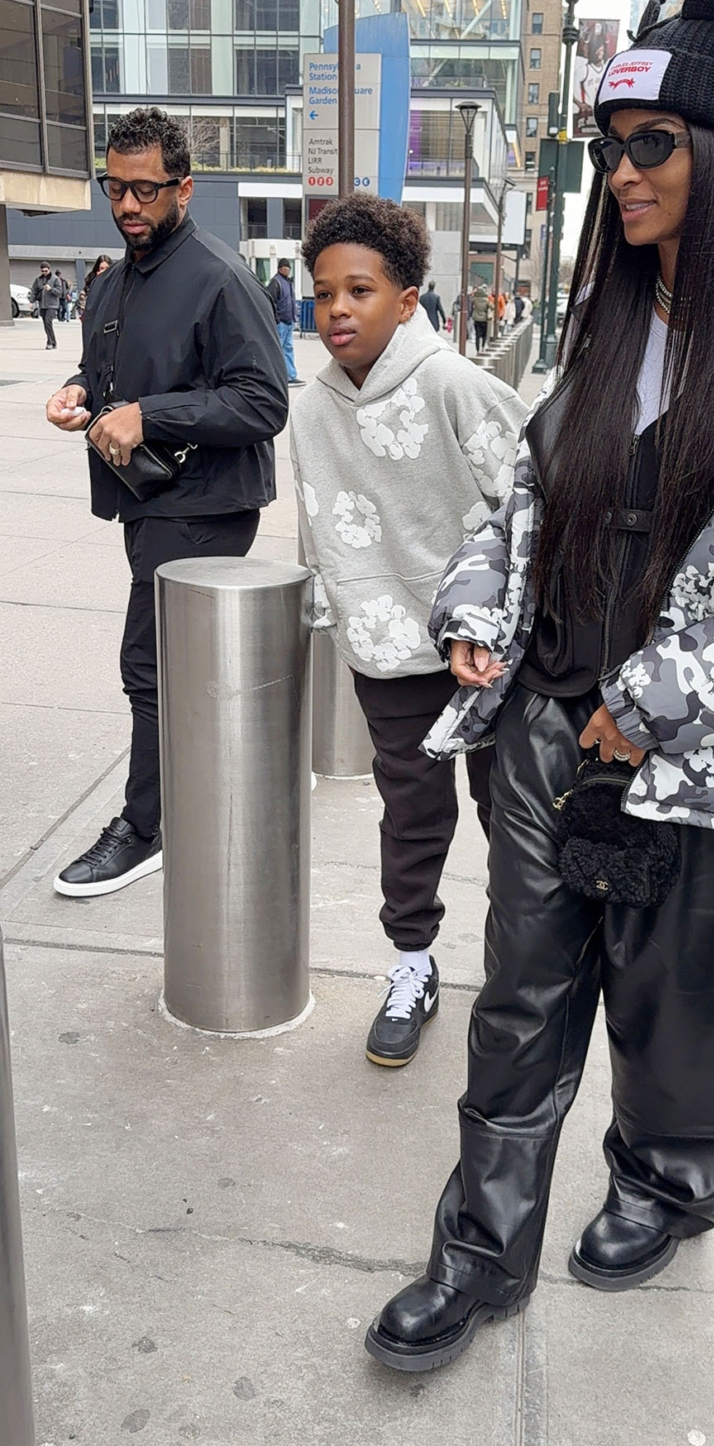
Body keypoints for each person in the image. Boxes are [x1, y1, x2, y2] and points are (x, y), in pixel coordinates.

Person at [365, 0, 714, 1371]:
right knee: (520, 1011)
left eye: (654, 140)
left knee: (686, 1018)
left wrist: (656, 705)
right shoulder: (605, 317)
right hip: (546, 731)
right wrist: (481, 613)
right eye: (612, 142)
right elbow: (526, 511)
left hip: (704, 773)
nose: (627, 167)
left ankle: (665, 1184)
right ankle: (476, 1257)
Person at [289, 194, 527, 1067]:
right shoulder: (309, 410)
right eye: (322, 293)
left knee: (510, 812)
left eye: (359, 290)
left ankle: (522, 974)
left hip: (491, 653)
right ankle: (413, 965)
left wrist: (500, 626)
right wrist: (328, 612)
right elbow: (317, 528)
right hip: (385, 653)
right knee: (411, 818)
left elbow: (529, 515)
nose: (338, 309)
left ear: (407, 296)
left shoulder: (457, 387)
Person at [46, 106, 289, 898]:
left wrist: (151, 414)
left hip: (206, 501)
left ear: (183, 188)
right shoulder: (115, 278)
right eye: (114, 187)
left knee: (149, 664)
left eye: (145, 190)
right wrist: (79, 391)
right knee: (178, 668)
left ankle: (144, 828)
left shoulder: (220, 276)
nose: (126, 206)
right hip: (148, 498)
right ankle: (202, 803)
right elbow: (106, 370)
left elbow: (263, 403)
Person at [267, 258, 304, 387]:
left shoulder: (289, 283)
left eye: (288, 267)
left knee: (288, 349)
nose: (286, 269)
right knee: (277, 350)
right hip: (280, 322)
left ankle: (290, 376)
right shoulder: (275, 282)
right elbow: (270, 301)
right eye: (284, 267)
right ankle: (275, 377)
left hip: (289, 322)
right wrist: (276, 319)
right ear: (279, 268)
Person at [30, 263, 63, 348]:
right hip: (42, 305)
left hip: (52, 305)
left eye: (46, 271)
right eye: (42, 271)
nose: (44, 272)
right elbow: (34, 291)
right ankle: (51, 341)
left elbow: (60, 292)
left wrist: (51, 289)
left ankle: (51, 342)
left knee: (48, 322)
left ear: (49, 269)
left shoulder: (55, 279)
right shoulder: (38, 280)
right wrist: (31, 301)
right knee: (45, 324)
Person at [471, 285, 489, 354]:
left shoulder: (475, 300)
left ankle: (477, 349)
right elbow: (491, 307)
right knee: (484, 334)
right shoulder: (487, 300)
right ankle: (483, 346)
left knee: (477, 335)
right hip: (484, 318)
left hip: (476, 318)